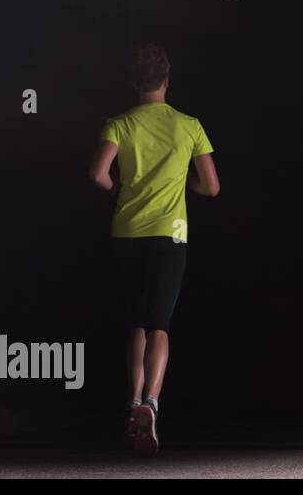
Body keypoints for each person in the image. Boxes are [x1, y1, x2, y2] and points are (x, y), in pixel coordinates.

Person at [88, 44, 220, 456]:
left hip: (126, 231)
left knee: (136, 323)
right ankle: (151, 404)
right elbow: (212, 187)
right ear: (166, 81)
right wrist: (186, 187)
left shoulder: (119, 124)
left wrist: (118, 191)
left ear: (133, 82)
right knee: (160, 323)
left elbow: (97, 174)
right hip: (171, 233)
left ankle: (131, 402)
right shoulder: (190, 125)